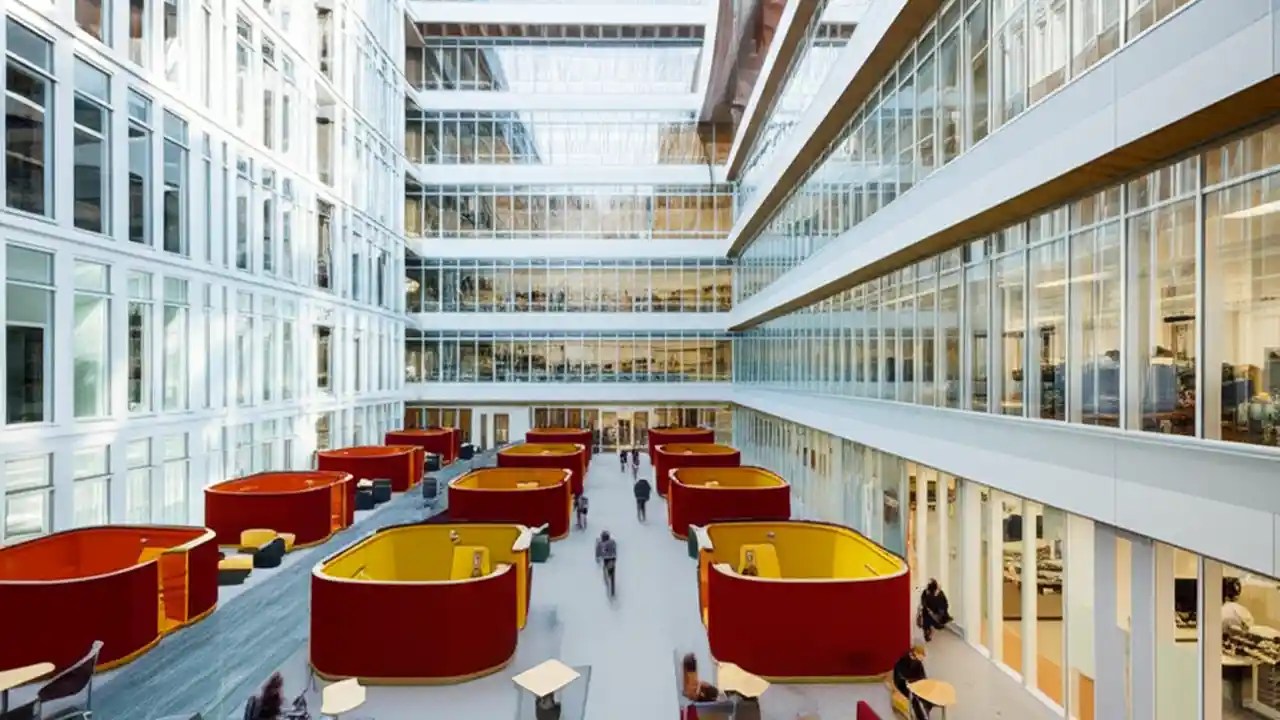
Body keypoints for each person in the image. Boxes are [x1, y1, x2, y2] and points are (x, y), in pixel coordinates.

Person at [892, 645, 932, 720]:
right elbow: (899, 679)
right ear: (915, 653)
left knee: (927, 698)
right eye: (921, 656)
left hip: (916, 685)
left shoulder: (918, 663)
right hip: (905, 686)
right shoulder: (901, 662)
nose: (922, 659)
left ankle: (925, 713)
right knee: (915, 699)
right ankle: (922, 717)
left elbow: (922, 676)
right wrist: (912, 682)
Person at [595, 530, 618, 597]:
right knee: (612, 575)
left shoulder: (600, 544)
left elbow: (597, 553)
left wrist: (598, 559)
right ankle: (612, 591)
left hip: (606, 560)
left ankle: (608, 588)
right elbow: (615, 550)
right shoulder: (612, 542)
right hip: (612, 559)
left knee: (606, 574)